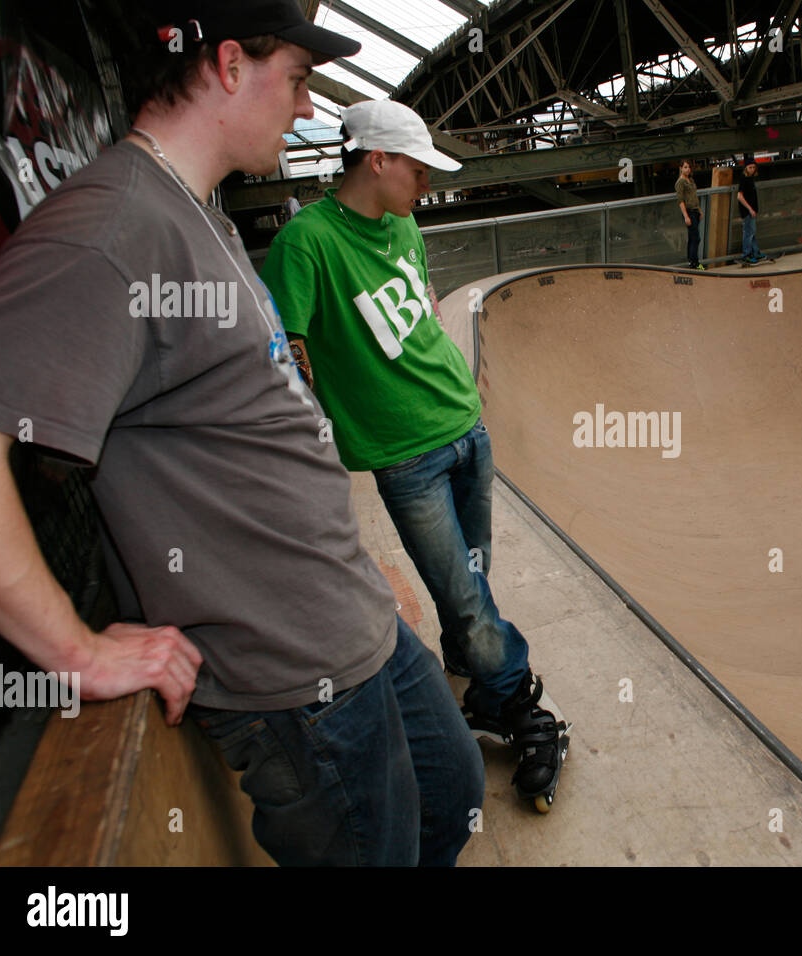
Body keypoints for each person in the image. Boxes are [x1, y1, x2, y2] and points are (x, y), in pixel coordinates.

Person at [0, 1, 483, 866]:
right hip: (288, 676)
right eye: (297, 78)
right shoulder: (110, 229)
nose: (310, 108)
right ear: (229, 65)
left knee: (453, 795)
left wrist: (361, 573)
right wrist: (73, 650)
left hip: (350, 621)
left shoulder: (196, 211)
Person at [259, 99, 570, 811]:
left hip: (464, 427)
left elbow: (422, 306)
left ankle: (474, 668)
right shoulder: (306, 243)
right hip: (405, 456)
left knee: (475, 575)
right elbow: (286, 357)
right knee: (462, 596)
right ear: (378, 161)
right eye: (418, 170)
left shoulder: (403, 222)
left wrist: (463, 380)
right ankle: (522, 706)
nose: (426, 186)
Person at [737, 161, 768, 264]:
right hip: (747, 211)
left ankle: (755, 252)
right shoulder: (744, 179)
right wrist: (749, 209)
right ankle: (746, 254)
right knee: (748, 233)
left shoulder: (750, 179)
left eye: (753, 167)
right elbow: (740, 196)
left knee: (752, 232)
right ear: (746, 168)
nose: (752, 170)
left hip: (752, 210)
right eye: (750, 167)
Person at [675, 160, 704, 269]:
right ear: (681, 168)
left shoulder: (690, 180)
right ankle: (693, 262)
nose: (688, 169)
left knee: (693, 237)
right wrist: (686, 216)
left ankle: (693, 260)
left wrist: (699, 210)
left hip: (695, 210)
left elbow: (694, 197)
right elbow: (681, 200)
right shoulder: (681, 182)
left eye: (689, 167)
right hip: (689, 211)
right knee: (695, 237)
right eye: (685, 167)